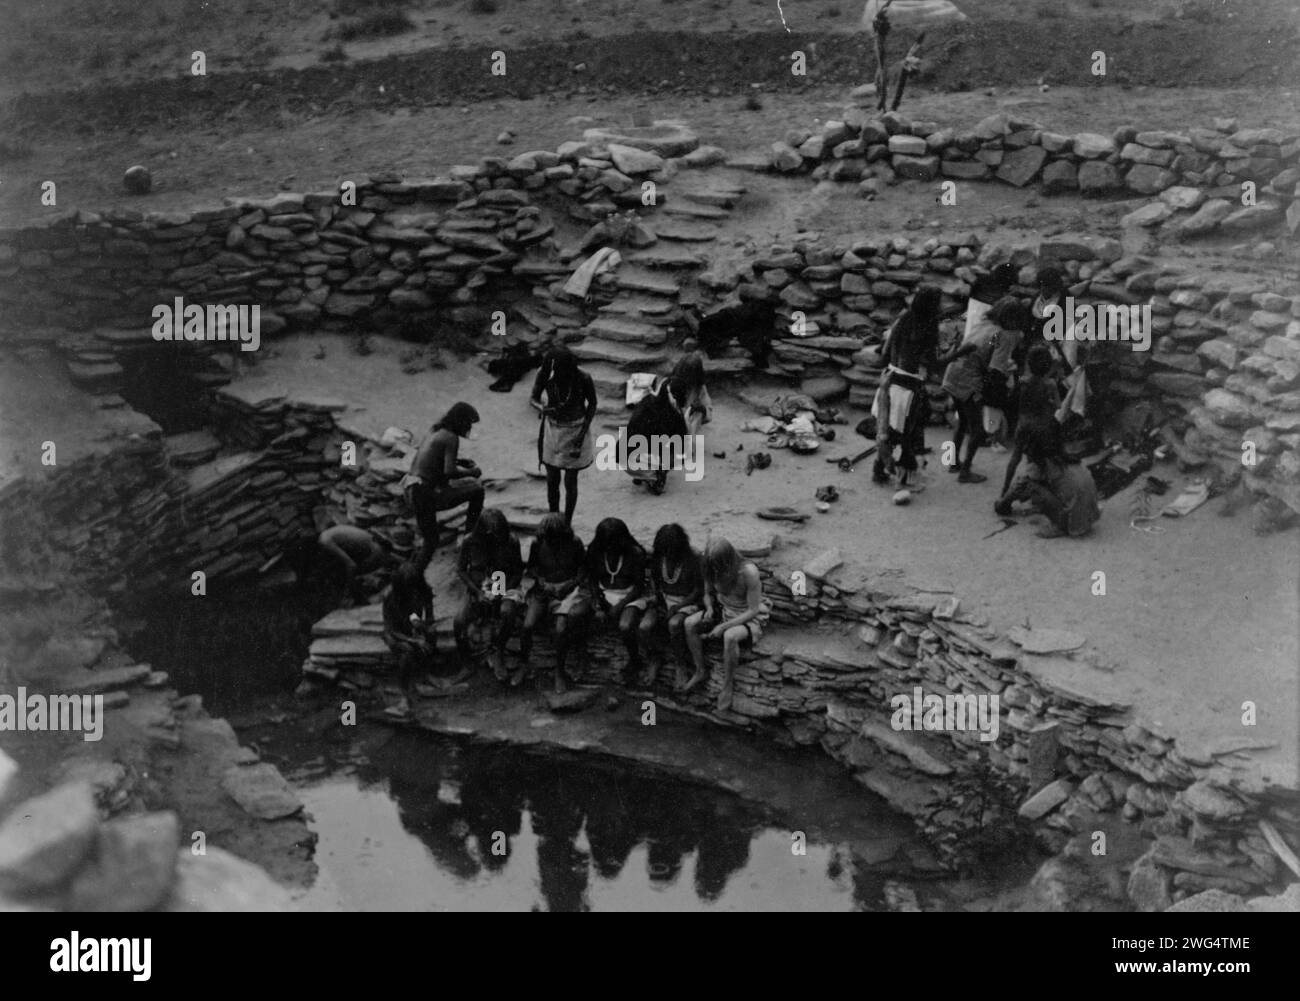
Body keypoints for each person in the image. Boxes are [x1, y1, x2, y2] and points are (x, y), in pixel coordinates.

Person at [683, 538, 771, 712]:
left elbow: (753, 610)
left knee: (730, 636)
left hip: (746, 615)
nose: (714, 570)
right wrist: (708, 607)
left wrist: (723, 627)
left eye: (718, 566)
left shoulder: (748, 572)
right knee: (689, 623)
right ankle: (700, 670)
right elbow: (707, 593)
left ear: (727, 561)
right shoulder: (709, 566)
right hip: (723, 608)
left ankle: (727, 685)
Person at [873, 285, 942, 488]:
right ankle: (904, 475)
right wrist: (959, 352)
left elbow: (887, 348)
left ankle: (880, 469)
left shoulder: (905, 317)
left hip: (892, 378)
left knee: (890, 427)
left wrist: (886, 373)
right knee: (910, 431)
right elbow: (932, 362)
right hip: (910, 385)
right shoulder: (929, 325)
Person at [402, 402, 485, 572]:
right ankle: (469, 538)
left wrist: (460, 462)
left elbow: (433, 458)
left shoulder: (435, 430)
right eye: (468, 423)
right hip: (423, 493)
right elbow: (449, 472)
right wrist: (472, 472)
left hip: (412, 487)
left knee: (428, 536)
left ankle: (412, 571)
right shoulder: (451, 437)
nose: (469, 427)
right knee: (477, 490)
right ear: (461, 421)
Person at [520, 513, 591, 693]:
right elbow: (532, 568)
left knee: (561, 628)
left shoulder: (574, 543)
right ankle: (524, 664)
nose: (550, 542)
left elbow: (583, 570)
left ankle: (559, 671)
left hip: (568, 591)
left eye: (553, 539)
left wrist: (570, 584)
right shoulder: (538, 544)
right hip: (545, 590)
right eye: (547, 539)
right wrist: (543, 582)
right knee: (527, 625)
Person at [995, 420, 1100, 538]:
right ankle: (1064, 518)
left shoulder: (1042, 461)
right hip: (1090, 517)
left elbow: (1022, 484)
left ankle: (1059, 527)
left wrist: (1003, 502)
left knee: (1028, 484)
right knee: (1044, 483)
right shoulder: (1063, 454)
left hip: (1072, 522)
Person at [453, 508, 524, 681]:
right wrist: (477, 592)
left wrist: (501, 591)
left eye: (499, 533)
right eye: (492, 533)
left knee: (508, 612)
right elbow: (461, 570)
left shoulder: (511, 541)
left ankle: (497, 649)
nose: (496, 537)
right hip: (477, 587)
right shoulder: (470, 541)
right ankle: (467, 662)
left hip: (501, 583)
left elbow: (517, 572)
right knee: (459, 621)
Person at [531, 346, 598, 525]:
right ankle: (554, 519)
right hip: (552, 430)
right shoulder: (544, 374)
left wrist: (581, 435)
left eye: (559, 371)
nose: (555, 375)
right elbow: (533, 398)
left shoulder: (583, 378)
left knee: (570, 481)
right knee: (552, 479)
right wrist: (542, 408)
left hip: (576, 429)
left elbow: (592, 404)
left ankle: (566, 522)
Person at [940, 302, 1000, 484]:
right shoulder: (997, 334)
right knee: (978, 430)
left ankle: (953, 462)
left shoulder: (981, 324)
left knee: (963, 421)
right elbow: (990, 362)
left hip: (953, 375)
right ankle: (965, 472)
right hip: (969, 382)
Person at [639, 523, 704, 687]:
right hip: (663, 601)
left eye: (671, 550)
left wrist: (677, 606)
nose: (668, 554)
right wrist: (657, 600)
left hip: (686, 602)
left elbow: (698, 590)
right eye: (664, 550)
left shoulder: (692, 559)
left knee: (674, 624)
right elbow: (656, 582)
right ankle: (654, 659)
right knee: (645, 626)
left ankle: (680, 665)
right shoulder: (659, 558)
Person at [586, 518, 650, 684]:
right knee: (576, 614)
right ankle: (581, 658)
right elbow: (592, 580)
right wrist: (597, 602)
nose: (609, 547)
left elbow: (638, 588)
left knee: (625, 625)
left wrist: (619, 606)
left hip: (629, 596)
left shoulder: (635, 554)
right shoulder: (595, 551)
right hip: (604, 593)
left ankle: (634, 660)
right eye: (606, 543)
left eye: (612, 543)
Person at [997, 342, 1062, 501]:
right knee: (1040, 459)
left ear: (1029, 364)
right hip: (1041, 427)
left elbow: (1012, 399)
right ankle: (1042, 492)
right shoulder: (1050, 384)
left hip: (1024, 424)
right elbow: (1058, 406)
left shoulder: (1023, 381)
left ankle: (1005, 490)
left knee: (1015, 458)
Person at [285, 525, 397, 604]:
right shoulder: (326, 534)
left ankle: (360, 596)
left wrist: (349, 593)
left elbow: (351, 565)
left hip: (376, 553)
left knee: (347, 572)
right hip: (374, 548)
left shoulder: (325, 541)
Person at [381, 562, 436, 718]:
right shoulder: (390, 597)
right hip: (396, 634)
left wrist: (424, 628)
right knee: (407, 651)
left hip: (412, 627)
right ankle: (404, 693)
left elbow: (427, 617)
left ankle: (426, 676)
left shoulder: (422, 590)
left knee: (432, 634)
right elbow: (391, 629)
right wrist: (414, 640)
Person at [667, 350, 713, 438]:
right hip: (671, 426)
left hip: (688, 424)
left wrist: (702, 409)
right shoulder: (671, 384)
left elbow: (709, 415)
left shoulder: (699, 388)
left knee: (698, 412)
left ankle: (689, 442)